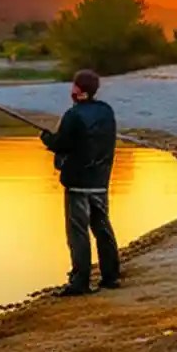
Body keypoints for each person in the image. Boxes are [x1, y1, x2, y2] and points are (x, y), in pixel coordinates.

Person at [40, 69, 120, 296]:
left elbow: (61, 144)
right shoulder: (106, 111)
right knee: (103, 228)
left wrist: (47, 138)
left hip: (78, 183)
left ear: (77, 89)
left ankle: (80, 281)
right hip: (101, 181)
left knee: (78, 232)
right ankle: (111, 277)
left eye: (73, 86)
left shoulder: (73, 115)